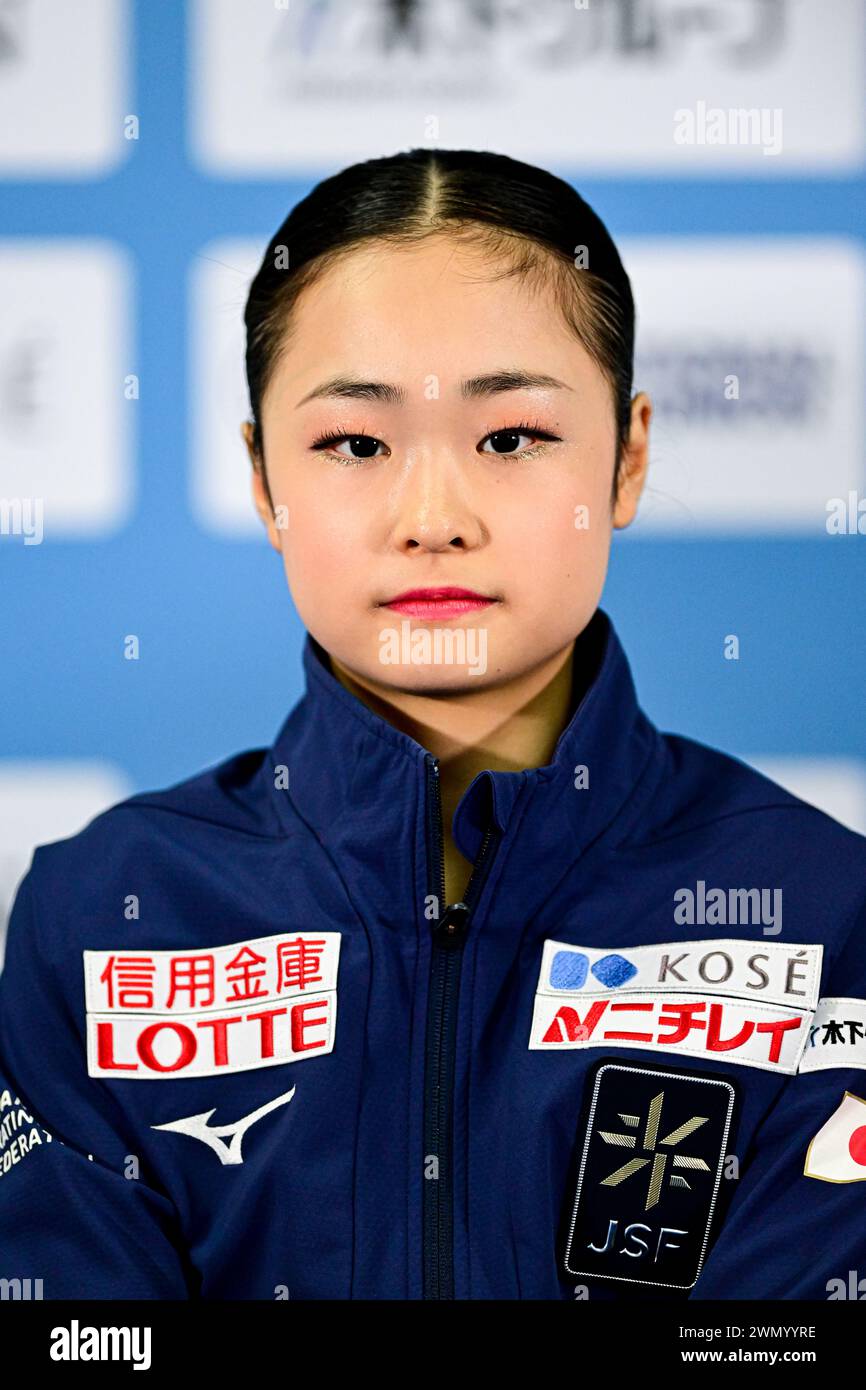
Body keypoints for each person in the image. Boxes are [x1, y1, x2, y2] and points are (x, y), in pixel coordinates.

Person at [1, 148, 865, 1301]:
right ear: (263, 481)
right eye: (354, 443)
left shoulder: (820, 902)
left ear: (627, 457)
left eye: (509, 438)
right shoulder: (99, 910)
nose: (432, 516)